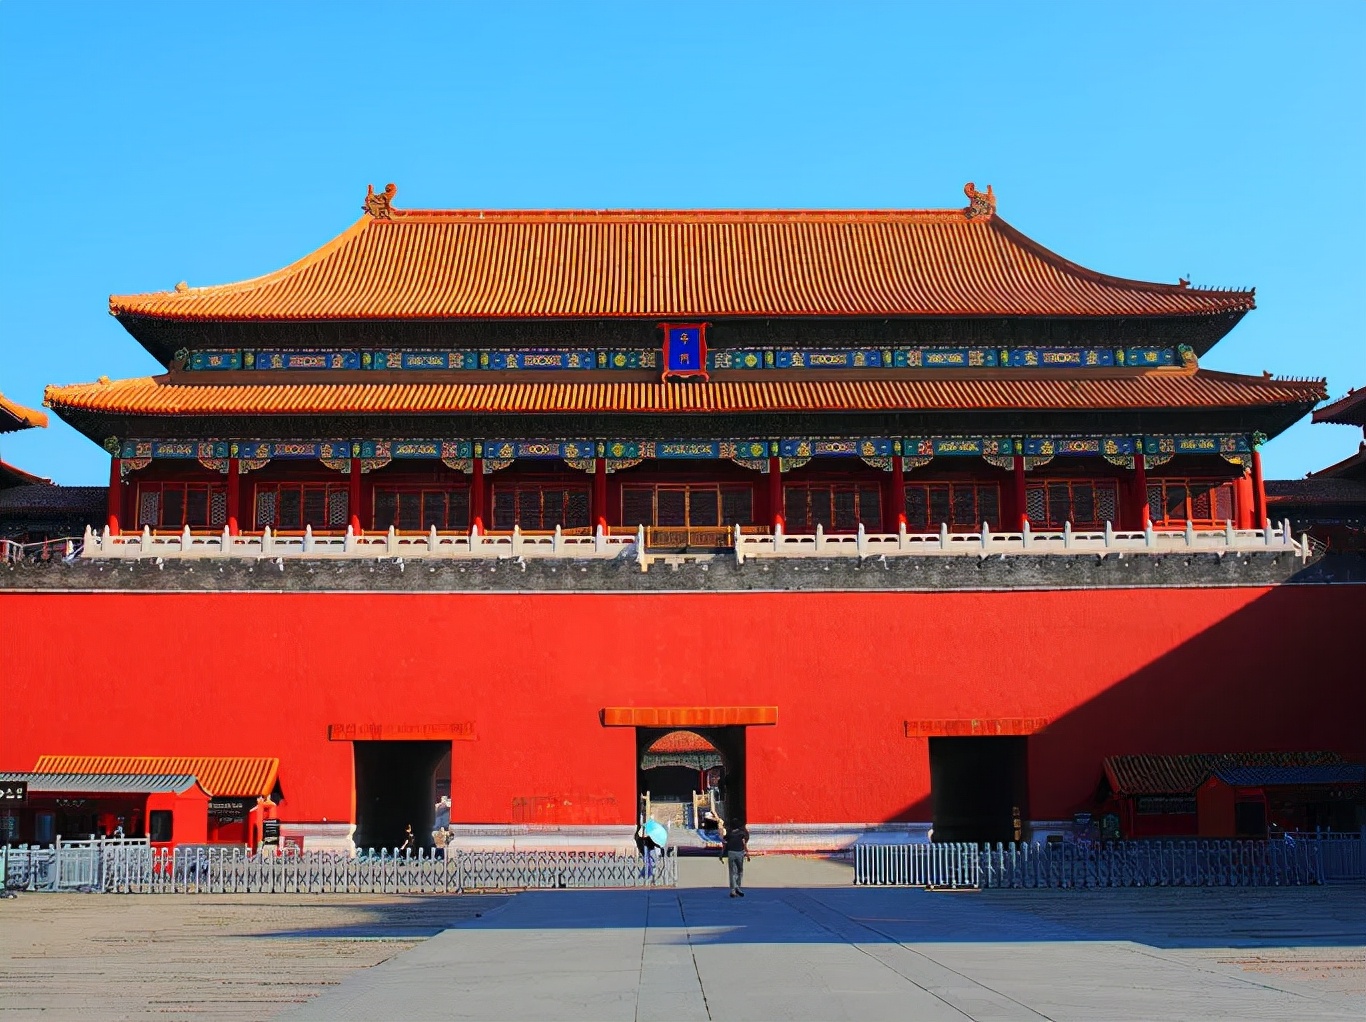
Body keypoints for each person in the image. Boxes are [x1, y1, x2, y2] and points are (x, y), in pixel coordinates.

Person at [720, 819, 750, 897]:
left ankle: (733, 890)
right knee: (740, 871)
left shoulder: (729, 834)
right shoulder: (742, 834)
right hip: (740, 853)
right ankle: (737, 887)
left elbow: (725, 844)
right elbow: (744, 844)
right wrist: (747, 853)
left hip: (731, 853)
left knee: (732, 872)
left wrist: (722, 854)